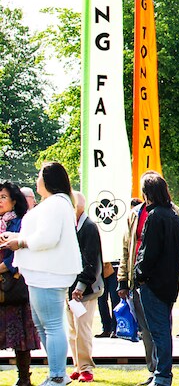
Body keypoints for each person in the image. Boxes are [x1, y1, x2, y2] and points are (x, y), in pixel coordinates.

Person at [0, 163, 81, 386]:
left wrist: (21, 241)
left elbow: (48, 237)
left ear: (48, 180)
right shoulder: (56, 203)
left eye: (39, 176)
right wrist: (15, 236)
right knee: (44, 324)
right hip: (41, 274)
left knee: (52, 325)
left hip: (48, 274)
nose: (36, 181)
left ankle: (57, 375)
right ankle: (56, 373)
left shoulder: (56, 204)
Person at [119, 176, 179, 386]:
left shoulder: (154, 216)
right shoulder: (173, 216)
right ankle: (160, 373)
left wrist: (139, 275)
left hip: (151, 281)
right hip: (168, 281)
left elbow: (147, 252)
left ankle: (161, 375)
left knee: (156, 331)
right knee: (161, 330)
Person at [0, 181, 39, 386]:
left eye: (3, 197)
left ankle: (24, 378)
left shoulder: (21, 223)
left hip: (15, 286)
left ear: (14, 201)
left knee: (21, 337)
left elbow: (22, 251)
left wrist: (4, 267)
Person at [66, 191, 102, 383]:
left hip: (85, 289)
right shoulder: (69, 226)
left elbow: (92, 261)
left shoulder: (88, 227)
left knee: (83, 328)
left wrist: (81, 285)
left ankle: (86, 367)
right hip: (68, 286)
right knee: (72, 329)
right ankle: (77, 365)